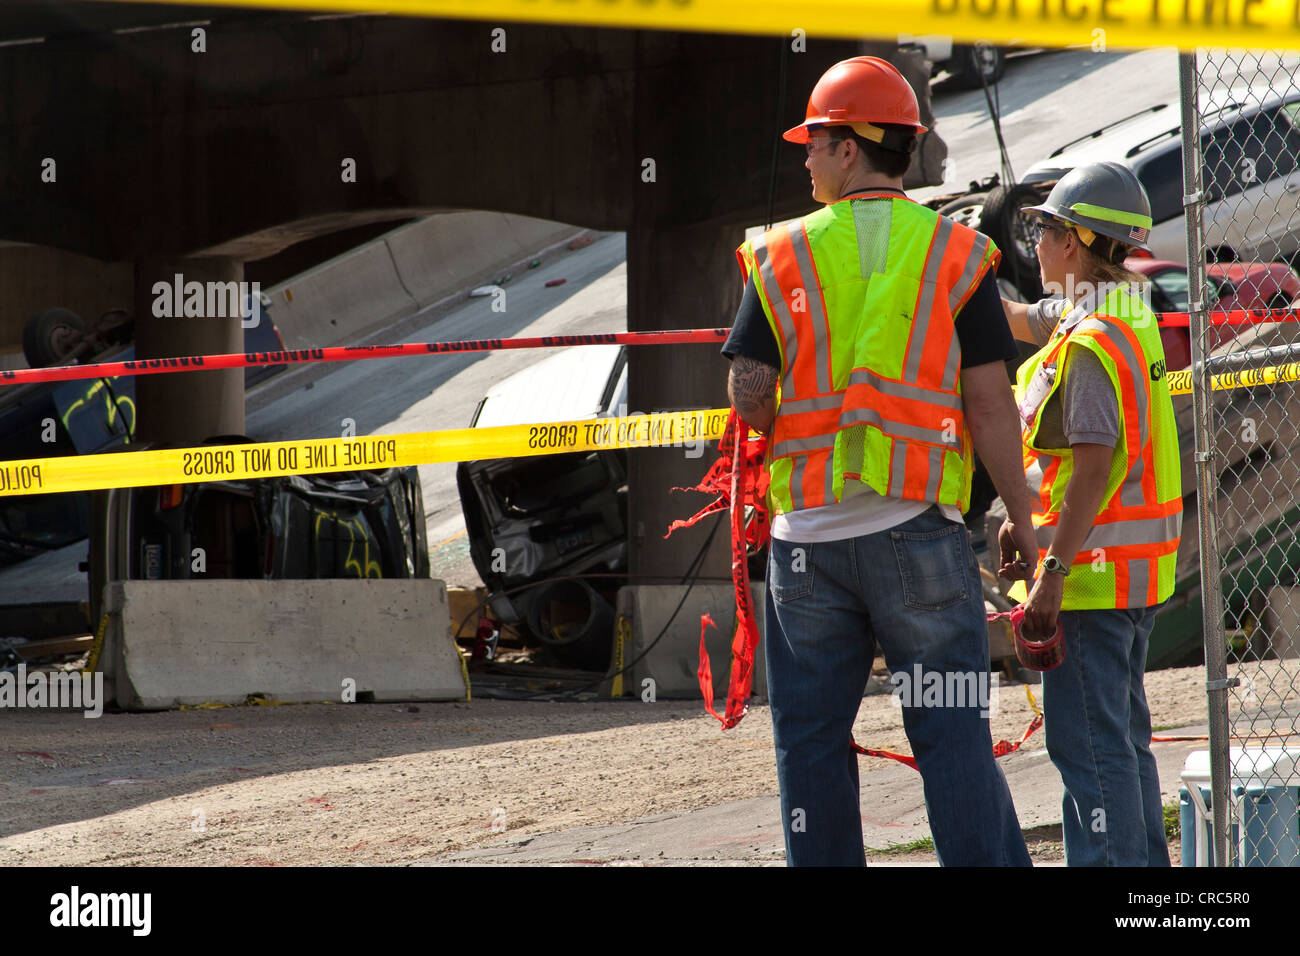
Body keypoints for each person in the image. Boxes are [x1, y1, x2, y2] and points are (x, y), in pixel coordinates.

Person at [721, 55, 1038, 867]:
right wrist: (1028, 533)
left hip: (809, 554)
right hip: (919, 544)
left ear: (851, 147)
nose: (805, 157)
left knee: (813, 746)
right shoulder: (954, 255)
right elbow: (992, 405)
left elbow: (750, 397)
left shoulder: (781, 254)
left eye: (815, 141)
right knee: (952, 736)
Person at [1000, 161, 1182, 866]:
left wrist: (1050, 570)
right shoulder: (1123, 310)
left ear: (1075, 239)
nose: (1036, 242)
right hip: (1131, 579)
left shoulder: (1091, 346)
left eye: (1043, 228)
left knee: (1091, 756)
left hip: (1089, 582)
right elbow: (1025, 317)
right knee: (1123, 745)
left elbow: (1095, 466)